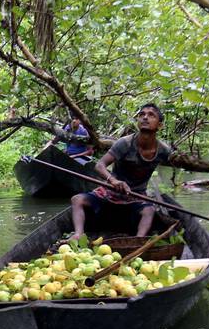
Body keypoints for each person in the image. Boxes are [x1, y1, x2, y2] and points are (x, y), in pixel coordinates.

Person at [69, 102, 173, 240]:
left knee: (149, 210)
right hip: (110, 193)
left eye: (151, 115)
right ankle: (78, 234)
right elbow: (99, 165)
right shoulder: (125, 143)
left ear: (160, 125)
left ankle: (138, 240)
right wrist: (113, 180)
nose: (145, 118)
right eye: (142, 114)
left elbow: (178, 162)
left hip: (136, 197)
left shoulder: (164, 150)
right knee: (77, 200)